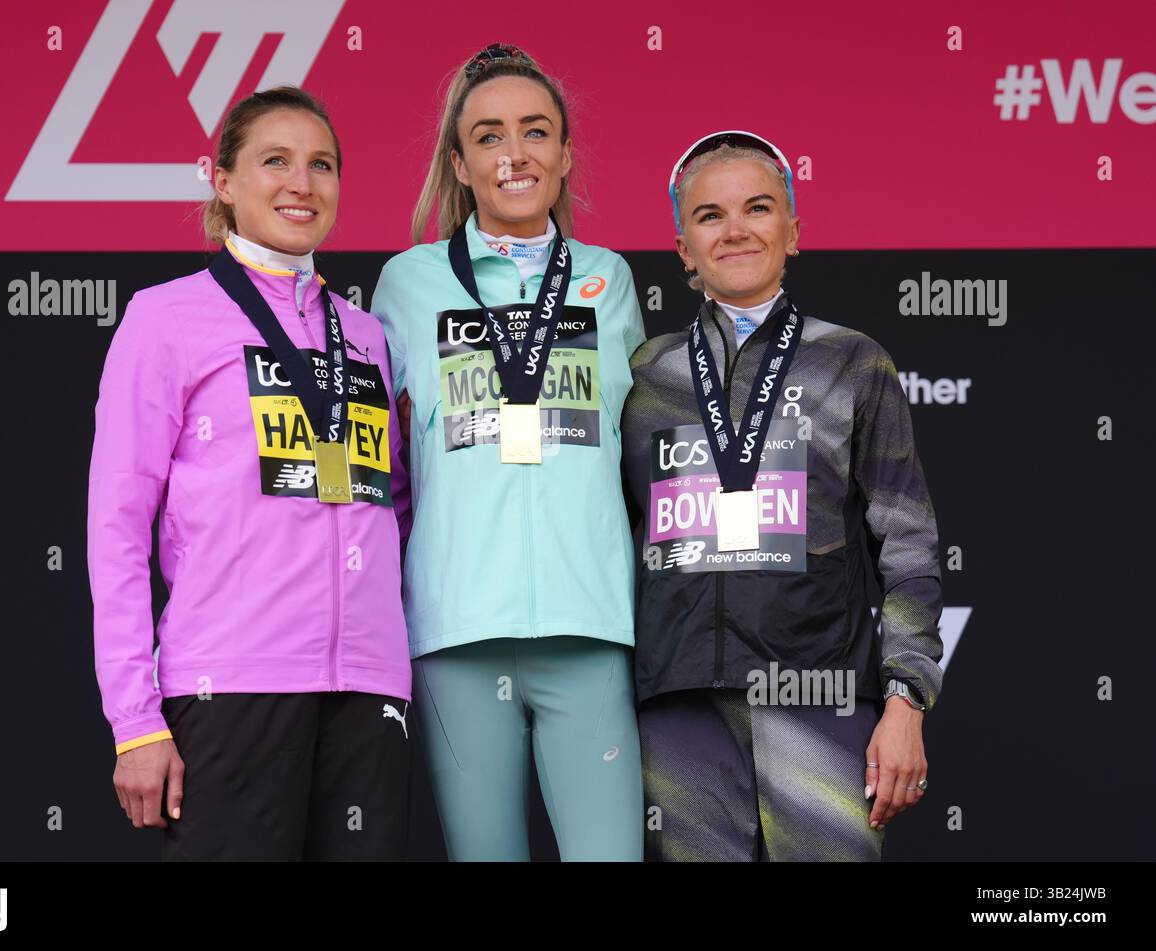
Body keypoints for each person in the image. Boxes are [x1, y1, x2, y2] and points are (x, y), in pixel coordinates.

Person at [87, 86, 412, 860]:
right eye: (276, 161)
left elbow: (390, 507)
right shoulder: (166, 318)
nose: (302, 183)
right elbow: (117, 528)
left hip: (368, 692)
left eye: (321, 165)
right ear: (224, 180)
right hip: (229, 682)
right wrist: (135, 719)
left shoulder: (366, 336)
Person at [620, 131, 942, 861]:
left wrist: (906, 700)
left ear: (792, 232)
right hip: (682, 707)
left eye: (758, 207)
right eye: (710, 215)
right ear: (682, 248)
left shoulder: (854, 361)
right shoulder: (643, 375)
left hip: (820, 698)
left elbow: (910, 544)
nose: (735, 229)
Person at [370, 43, 647, 861]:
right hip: (459, 629)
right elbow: (385, 466)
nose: (514, 154)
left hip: (588, 623)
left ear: (564, 154)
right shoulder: (407, 284)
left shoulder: (610, 280)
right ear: (459, 162)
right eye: (489, 136)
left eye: (535, 132)